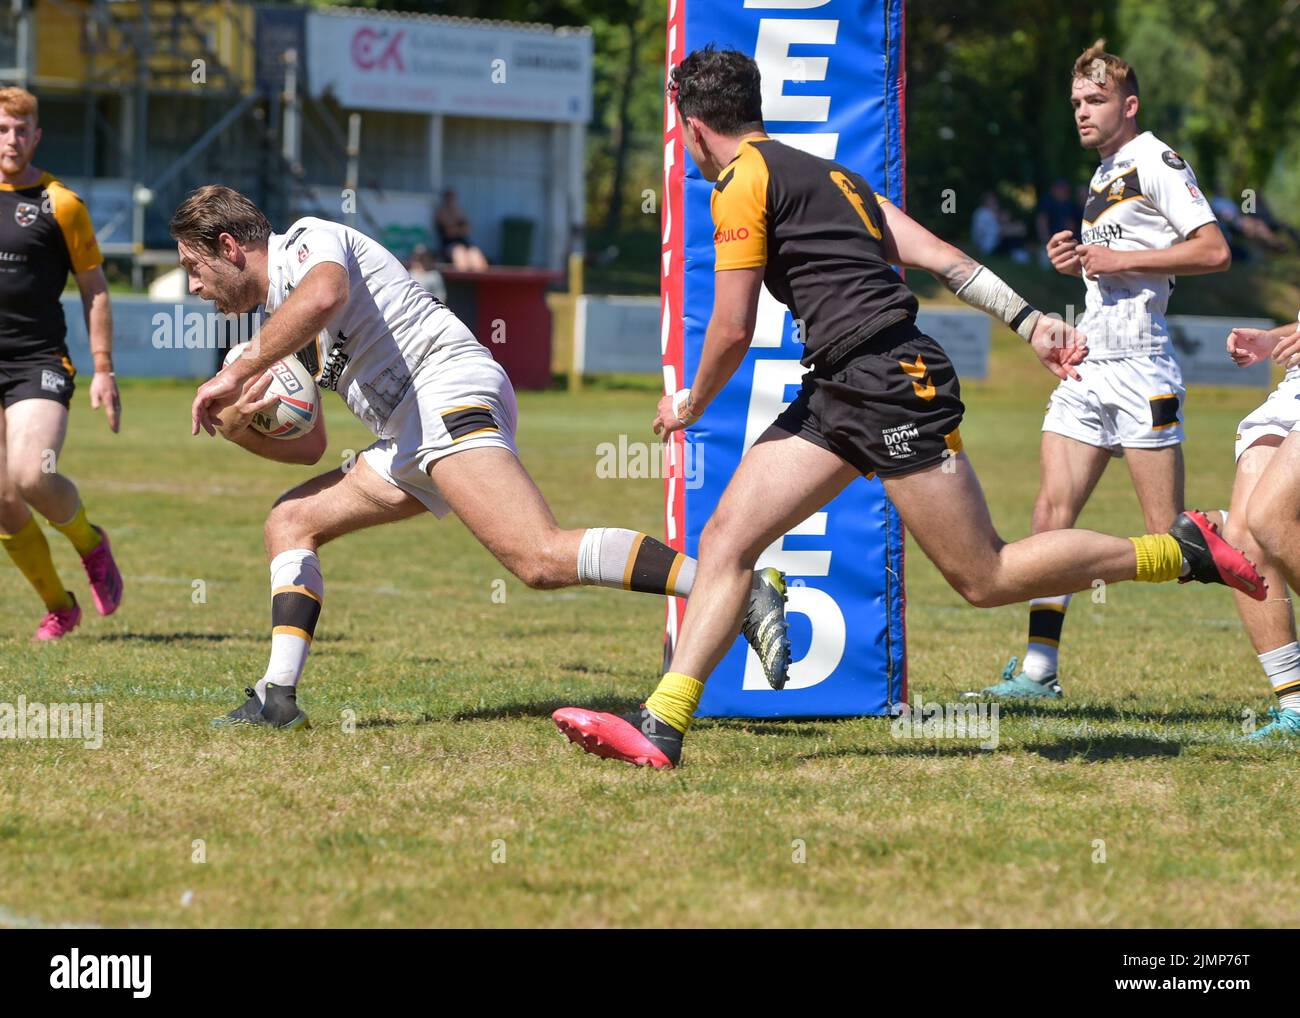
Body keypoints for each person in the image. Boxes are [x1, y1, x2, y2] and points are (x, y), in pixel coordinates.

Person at [549, 46, 1263, 770]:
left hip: (892, 382)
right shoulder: (835, 177)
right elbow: (944, 257)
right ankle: (661, 725)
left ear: (694, 128)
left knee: (984, 576)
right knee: (730, 538)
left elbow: (731, 328)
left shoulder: (739, 181)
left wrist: (690, 401)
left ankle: (1183, 550)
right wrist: (1030, 323)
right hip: (838, 387)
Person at [172, 185, 789, 729]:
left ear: (230, 246)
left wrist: (243, 365)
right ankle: (278, 697)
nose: (194, 288)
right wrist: (238, 426)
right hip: (405, 433)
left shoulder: (307, 242)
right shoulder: (285, 320)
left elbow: (327, 293)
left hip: (444, 388)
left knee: (538, 557)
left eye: (193, 268)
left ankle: (735, 585)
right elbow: (309, 446)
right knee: (291, 521)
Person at [968, 41, 1233, 700]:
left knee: (1167, 542)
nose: (1083, 112)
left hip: (1143, 369)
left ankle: (1248, 534)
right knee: (1049, 518)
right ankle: (1037, 671)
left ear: (1129, 103)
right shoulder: (1104, 171)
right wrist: (1075, 257)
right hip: (1089, 364)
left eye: (1096, 100)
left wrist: (1121, 264)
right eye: (1077, 102)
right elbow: (1114, 256)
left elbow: (1214, 249)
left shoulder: (1156, 160)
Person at [0, 86, 123, 641]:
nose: (11, 139)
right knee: (2, 500)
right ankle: (59, 606)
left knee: (33, 474)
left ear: (37, 135)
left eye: (21, 129)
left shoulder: (60, 203)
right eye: (2, 128)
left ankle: (90, 543)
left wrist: (103, 368)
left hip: (36, 360)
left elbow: (94, 288)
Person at [1222, 315, 1300, 741]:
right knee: (1243, 540)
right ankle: (1296, 706)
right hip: (1292, 390)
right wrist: (1275, 339)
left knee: (1270, 518)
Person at [434, 189, 488, 271]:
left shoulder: (460, 212)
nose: (451, 201)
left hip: (464, 243)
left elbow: (468, 229)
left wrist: (457, 229)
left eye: (453, 199)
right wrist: (460, 229)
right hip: (448, 245)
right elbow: (450, 232)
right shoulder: (441, 213)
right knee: (460, 255)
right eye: (449, 199)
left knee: (476, 256)